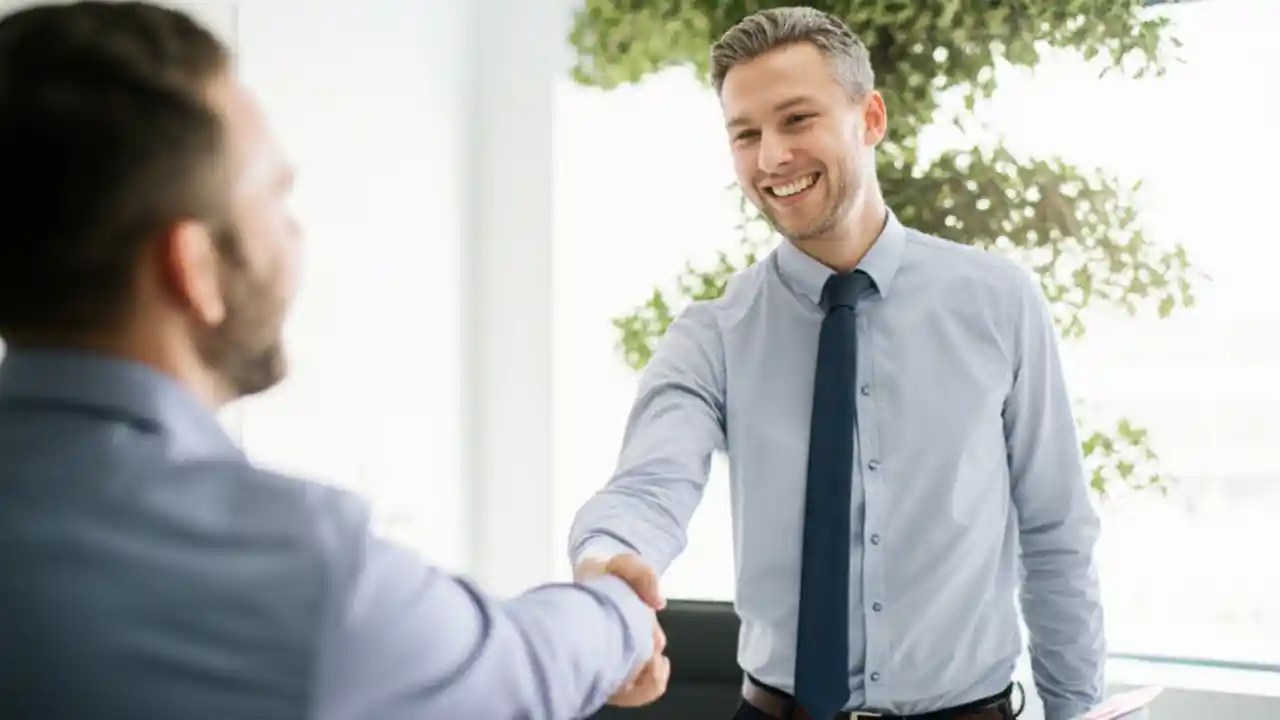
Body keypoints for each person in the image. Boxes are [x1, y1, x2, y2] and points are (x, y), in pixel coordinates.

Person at [0, 2, 668, 718]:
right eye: (274, 198)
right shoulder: (294, 577)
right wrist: (620, 614)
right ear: (192, 267)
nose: (295, 235)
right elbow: (523, 666)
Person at [569, 6, 1105, 720]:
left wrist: (1076, 710)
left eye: (796, 120)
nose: (770, 158)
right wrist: (606, 560)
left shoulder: (998, 303)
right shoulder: (714, 335)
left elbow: (1055, 529)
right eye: (745, 134)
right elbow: (649, 486)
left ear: (871, 118)